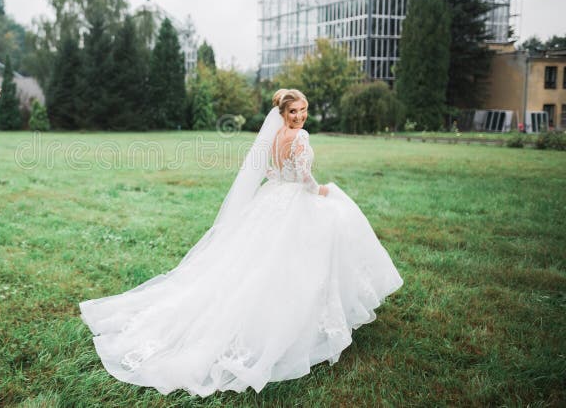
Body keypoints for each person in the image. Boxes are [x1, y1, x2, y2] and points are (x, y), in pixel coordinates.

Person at [80, 88, 403, 397]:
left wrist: (281, 183)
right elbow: (304, 177)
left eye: (304, 111)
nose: (300, 117)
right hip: (293, 201)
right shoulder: (299, 137)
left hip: (272, 199)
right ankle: (299, 325)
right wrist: (321, 191)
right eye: (294, 111)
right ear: (283, 113)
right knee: (313, 241)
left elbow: (265, 170)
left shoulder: (273, 136)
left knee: (256, 263)